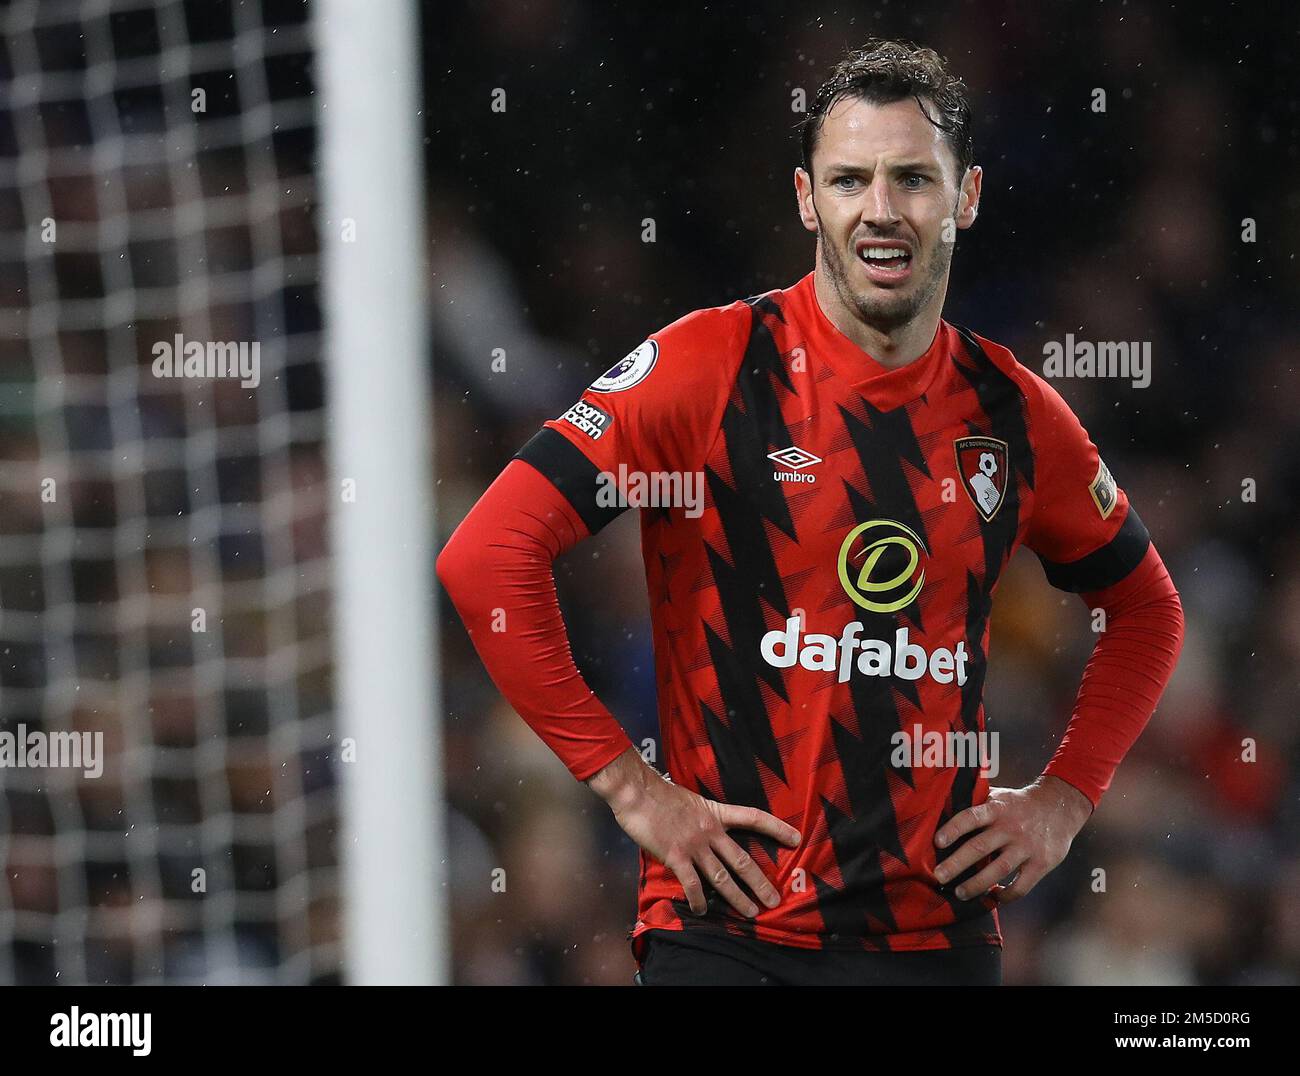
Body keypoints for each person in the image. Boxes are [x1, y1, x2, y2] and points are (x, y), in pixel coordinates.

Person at [437, 38, 1184, 986]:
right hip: (728, 927)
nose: (881, 209)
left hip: (934, 943)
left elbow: (1148, 609)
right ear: (805, 199)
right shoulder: (709, 367)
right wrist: (630, 788)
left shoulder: (1017, 414)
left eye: (914, 178)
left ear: (968, 198)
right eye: (849, 179)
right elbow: (487, 556)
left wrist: (1067, 798)